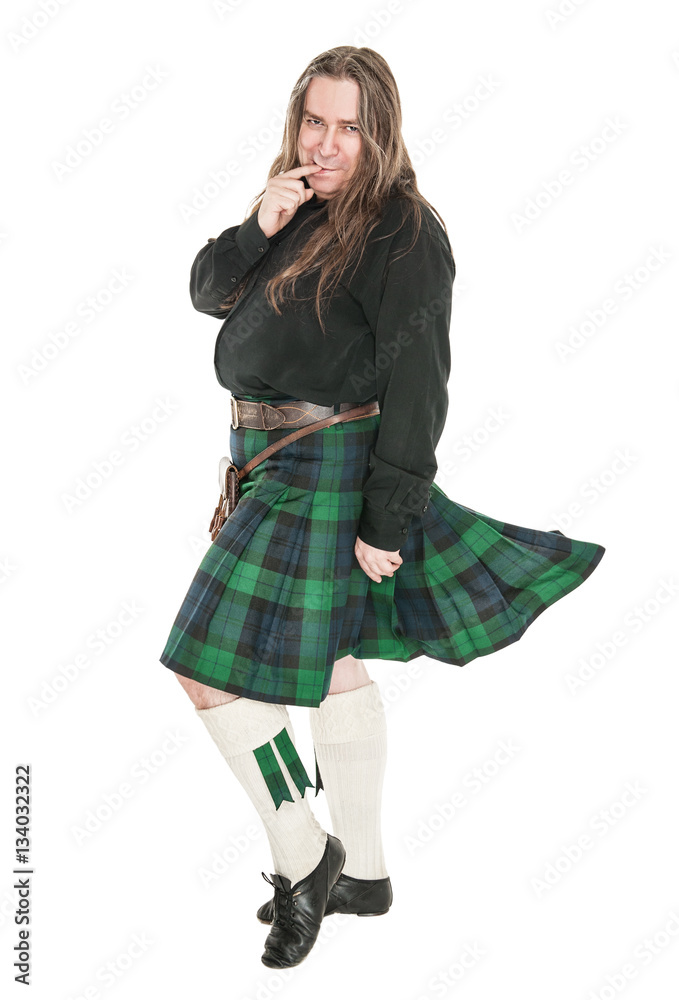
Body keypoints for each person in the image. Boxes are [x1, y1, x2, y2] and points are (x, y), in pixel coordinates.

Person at [159, 45, 605, 969]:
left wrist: (384, 523)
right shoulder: (293, 204)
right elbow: (208, 295)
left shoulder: (403, 231)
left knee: (207, 667)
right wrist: (258, 222)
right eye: (313, 123)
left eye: (348, 128)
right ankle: (361, 870)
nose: (326, 144)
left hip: (322, 468)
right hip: (263, 463)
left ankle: (304, 856)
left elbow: (420, 385)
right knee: (334, 665)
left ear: (381, 132)